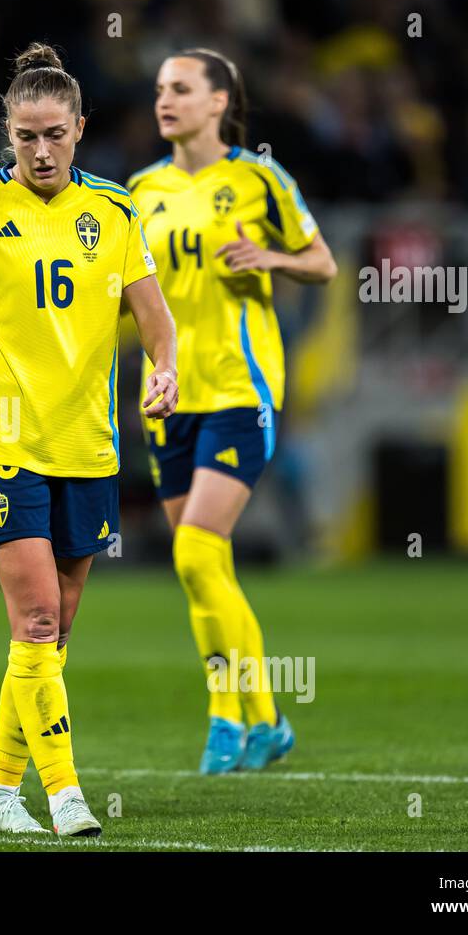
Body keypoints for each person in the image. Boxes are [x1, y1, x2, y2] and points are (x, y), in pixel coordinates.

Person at [0, 43, 178, 836]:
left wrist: (165, 372)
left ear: (81, 129)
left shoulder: (118, 214)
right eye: (25, 136)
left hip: (86, 446)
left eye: (55, 133)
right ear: (7, 134)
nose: (41, 150)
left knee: (52, 638)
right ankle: (66, 798)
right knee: (36, 623)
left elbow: (158, 325)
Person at [127, 49, 337, 774]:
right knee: (201, 568)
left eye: (181, 88)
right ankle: (268, 720)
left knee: (193, 548)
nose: (166, 100)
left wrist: (271, 260)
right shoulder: (137, 191)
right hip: (170, 398)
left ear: (219, 101)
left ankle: (227, 714)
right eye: (160, 90)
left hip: (240, 389)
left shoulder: (258, 178)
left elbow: (324, 261)